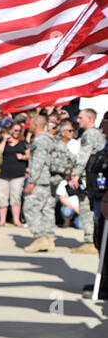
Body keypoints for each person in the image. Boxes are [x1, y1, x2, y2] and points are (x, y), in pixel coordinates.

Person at [70, 107, 105, 254]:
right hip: (97, 177)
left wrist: (76, 174)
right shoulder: (96, 133)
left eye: (81, 118)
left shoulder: (89, 134)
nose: (78, 120)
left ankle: (90, 240)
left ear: (90, 119)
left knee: (86, 208)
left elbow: (84, 155)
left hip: (90, 177)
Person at [23, 115, 59, 253]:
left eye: (30, 124)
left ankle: (40, 238)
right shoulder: (50, 139)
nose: (29, 126)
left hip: (40, 180)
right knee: (47, 209)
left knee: (31, 207)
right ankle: (49, 239)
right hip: (50, 180)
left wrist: (31, 181)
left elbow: (38, 162)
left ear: (36, 125)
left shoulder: (40, 140)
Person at [0, 123, 28, 227]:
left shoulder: (23, 143)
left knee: (16, 197)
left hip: (18, 174)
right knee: (1, 197)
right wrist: (5, 140)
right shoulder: (1, 141)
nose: (16, 132)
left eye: (18, 130)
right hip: (2, 174)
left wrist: (22, 157)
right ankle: (2, 220)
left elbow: (29, 155)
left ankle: (16, 220)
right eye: (14, 130)